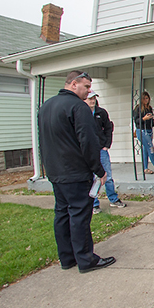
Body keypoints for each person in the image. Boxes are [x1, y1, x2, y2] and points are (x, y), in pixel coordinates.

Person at [38, 70, 115, 273]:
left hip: (55, 172)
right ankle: (86, 259)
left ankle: (67, 257)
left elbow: (42, 140)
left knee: (62, 213)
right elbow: (88, 143)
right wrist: (99, 170)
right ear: (73, 84)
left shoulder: (46, 106)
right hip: (75, 172)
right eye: (86, 87)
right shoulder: (78, 107)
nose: (89, 91)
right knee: (80, 215)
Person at [85, 91, 126, 213]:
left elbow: (108, 128)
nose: (92, 101)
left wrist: (107, 145)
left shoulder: (101, 112)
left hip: (101, 149)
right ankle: (94, 203)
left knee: (107, 175)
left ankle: (113, 199)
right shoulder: (81, 113)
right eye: (89, 99)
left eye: (94, 99)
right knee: (92, 177)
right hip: (88, 150)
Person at [133, 91, 154, 174]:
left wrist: (152, 120)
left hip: (149, 129)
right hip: (142, 130)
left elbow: (150, 117)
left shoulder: (149, 108)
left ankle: (145, 168)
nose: (146, 100)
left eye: (147, 98)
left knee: (145, 148)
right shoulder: (138, 108)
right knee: (150, 148)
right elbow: (136, 121)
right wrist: (144, 118)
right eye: (144, 98)